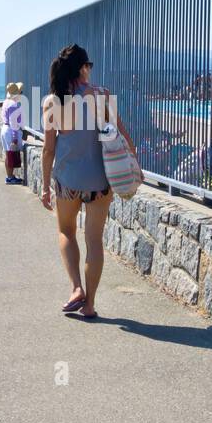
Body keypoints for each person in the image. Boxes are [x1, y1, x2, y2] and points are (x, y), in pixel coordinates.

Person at [40, 44, 135, 320]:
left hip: (67, 181)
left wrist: (45, 186)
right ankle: (90, 304)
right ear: (83, 68)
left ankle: (75, 289)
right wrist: (132, 165)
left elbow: (48, 150)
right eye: (88, 66)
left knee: (67, 232)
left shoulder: (52, 102)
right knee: (94, 240)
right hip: (100, 180)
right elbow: (123, 136)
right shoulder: (102, 96)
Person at [1, 83, 24, 184]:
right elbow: (13, 122)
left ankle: (9, 176)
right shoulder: (14, 105)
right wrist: (15, 138)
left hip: (5, 129)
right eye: (21, 92)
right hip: (11, 130)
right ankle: (10, 178)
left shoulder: (6, 102)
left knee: (7, 154)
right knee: (10, 154)